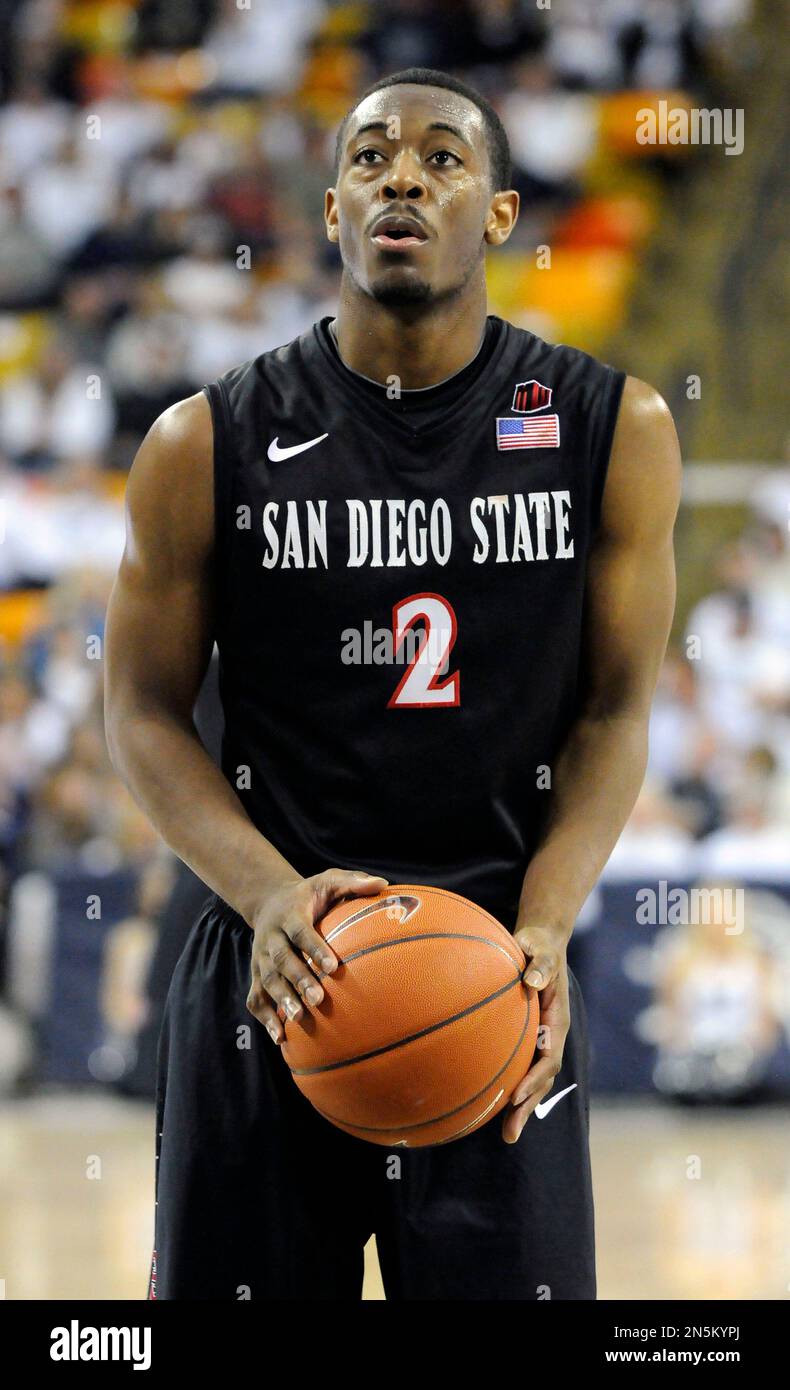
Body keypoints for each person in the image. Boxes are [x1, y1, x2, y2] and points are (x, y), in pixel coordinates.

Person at [104, 66, 681, 1300]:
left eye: (441, 157)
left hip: (496, 976)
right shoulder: (205, 440)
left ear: (500, 212)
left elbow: (616, 708)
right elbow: (141, 711)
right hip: (278, 966)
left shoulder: (604, 429)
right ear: (330, 211)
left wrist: (546, 920)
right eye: (369, 159)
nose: (403, 176)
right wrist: (267, 897)